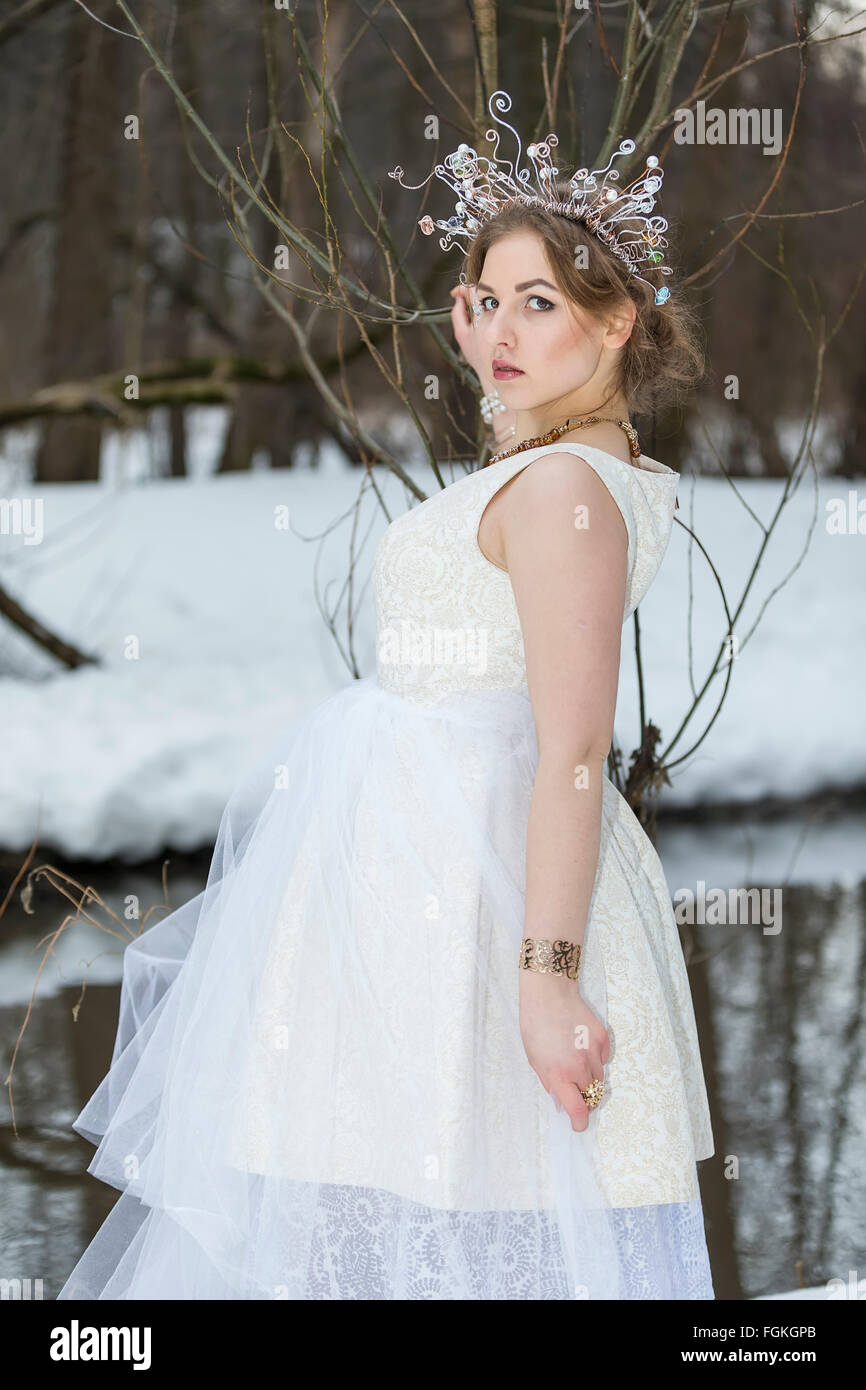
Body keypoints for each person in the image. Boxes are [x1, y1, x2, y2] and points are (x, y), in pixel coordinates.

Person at [58, 92, 714, 1300]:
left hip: (478, 893)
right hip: (408, 891)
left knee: (469, 1197)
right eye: (484, 300)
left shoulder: (569, 489)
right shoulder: (545, 464)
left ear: (617, 320)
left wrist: (547, 972)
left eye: (540, 303)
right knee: (392, 1209)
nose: (500, 330)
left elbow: (574, 750)